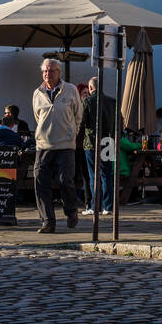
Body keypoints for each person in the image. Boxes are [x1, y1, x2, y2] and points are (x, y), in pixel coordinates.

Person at [31, 58, 83, 233]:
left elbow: (78, 115)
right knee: (40, 180)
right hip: (44, 144)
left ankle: (71, 211)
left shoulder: (70, 90)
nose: (48, 74)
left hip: (66, 143)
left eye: (51, 71)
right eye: (45, 71)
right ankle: (47, 221)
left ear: (59, 72)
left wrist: (72, 132)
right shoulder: (37, 93)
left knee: (65, 180)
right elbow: (38, 117)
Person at [79, 77, 116, 216]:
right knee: (107, 174)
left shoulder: (87, 101)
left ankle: (95, 206)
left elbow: (82, 122)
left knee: (94, 175)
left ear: (90, 88)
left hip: (92, 142)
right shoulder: (113, 102)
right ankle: (108, 207)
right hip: (108, 141)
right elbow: (120, 122)